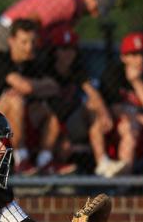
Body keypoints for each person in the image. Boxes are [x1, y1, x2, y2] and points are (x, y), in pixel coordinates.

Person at [0, 19, 60, 175]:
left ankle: (45, 160)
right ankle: (20, 158)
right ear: (11, 41)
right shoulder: (0, 60)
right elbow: (25, 87)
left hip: (18, 121)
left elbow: (54, 87)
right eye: (24, 42)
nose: (29, 47)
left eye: (32, 42)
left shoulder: (32, 63)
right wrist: (34, 87)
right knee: (15, 99)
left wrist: (31, 87)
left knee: (47, 109)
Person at [43, 25, 120, 176]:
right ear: (54, 51)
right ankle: (44, 161)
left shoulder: (77, 70)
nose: (68, 54)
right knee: (52, 119)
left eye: (71, 49)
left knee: (91, 106)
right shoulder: (45, 70)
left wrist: (104, 113)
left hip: (71, 122)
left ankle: (102, 162)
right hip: (48, 125)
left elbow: (92, 92)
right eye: (63, 49)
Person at [99, 31, 143, 177]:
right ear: (123, 57)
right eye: (134, 55)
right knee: (129, 127)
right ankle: (124, 183)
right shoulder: (114, 73)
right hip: (116, 126)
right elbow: (116, 110)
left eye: (142, 54)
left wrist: (137, 83)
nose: (139, 59)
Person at [0, 0, 115, 55]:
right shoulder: (69, 3)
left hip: (14, 34)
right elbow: (32, 21)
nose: (96, 14)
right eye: (98, 8)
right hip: (9, 32)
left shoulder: (76, 9)